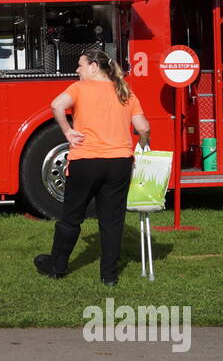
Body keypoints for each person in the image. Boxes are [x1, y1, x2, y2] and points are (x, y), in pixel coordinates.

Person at [35, 48, 151, 286]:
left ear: (94, 67)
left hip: (86, 161)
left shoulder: (79, 89)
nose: (77, 70)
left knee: (71, 217)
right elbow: (143, 127)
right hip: (119, 163)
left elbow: (56, 105)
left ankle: (57, 267)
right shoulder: (124, 91)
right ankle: (109, 276)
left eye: (80, 65)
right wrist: (142, 143)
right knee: (112, 220)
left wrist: (67, 132)